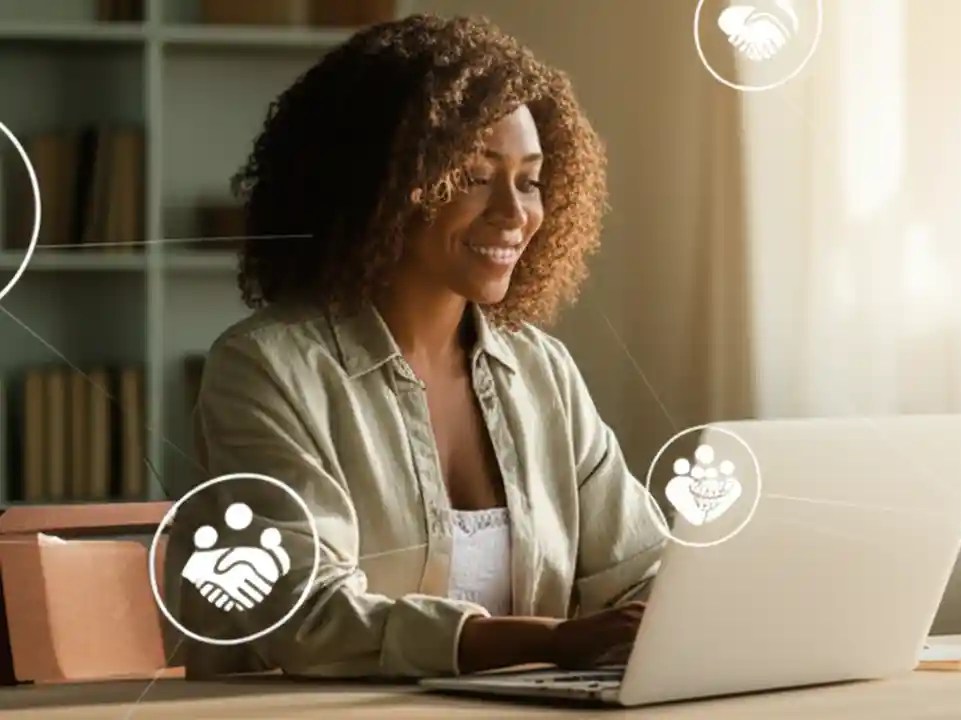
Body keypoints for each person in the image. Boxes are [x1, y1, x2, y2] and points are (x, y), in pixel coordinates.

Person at [173, 13, 665, 680]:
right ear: (376, 185)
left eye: (529, 179)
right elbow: (306, 616)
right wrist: (551, 640)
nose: (514, 213)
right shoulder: (266, 368)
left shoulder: (541, 371)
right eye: (472, 176)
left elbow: (641, 572)